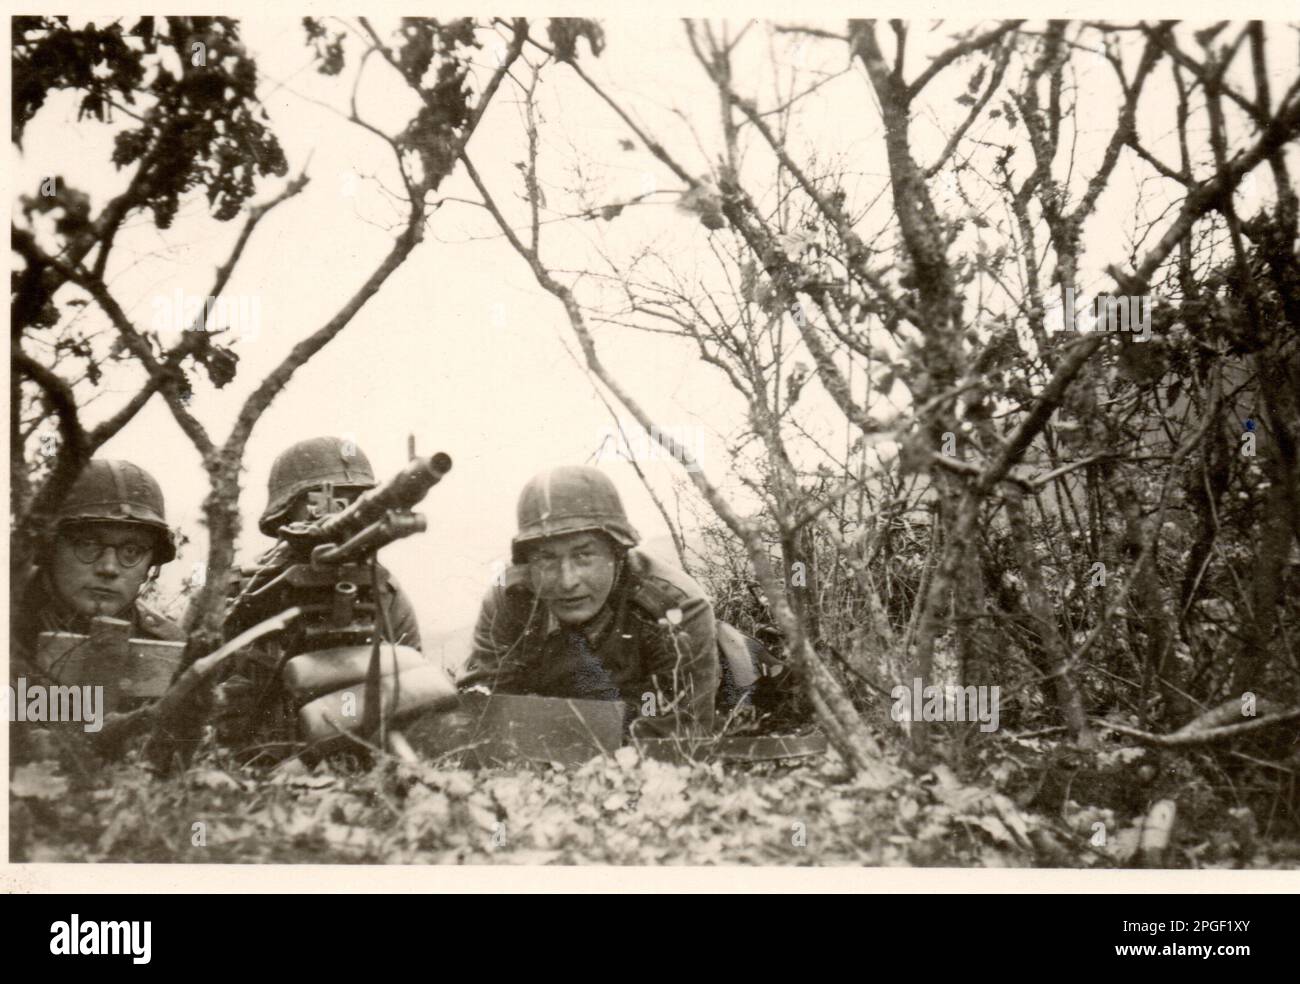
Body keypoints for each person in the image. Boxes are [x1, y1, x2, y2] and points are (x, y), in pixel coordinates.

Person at [460, 465, 719, 739]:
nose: (567, 580)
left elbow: (678, 734)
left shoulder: (673, 607)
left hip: (645, 715)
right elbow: (485, 711)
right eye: (546, 558)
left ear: (617, 552)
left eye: (584, 555)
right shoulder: (511, 601)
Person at [11, 458, 185, 677]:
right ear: (48, 548)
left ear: (150, 564)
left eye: (132, 551)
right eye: (87, 544)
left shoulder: (171, 649)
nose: (109, 568)